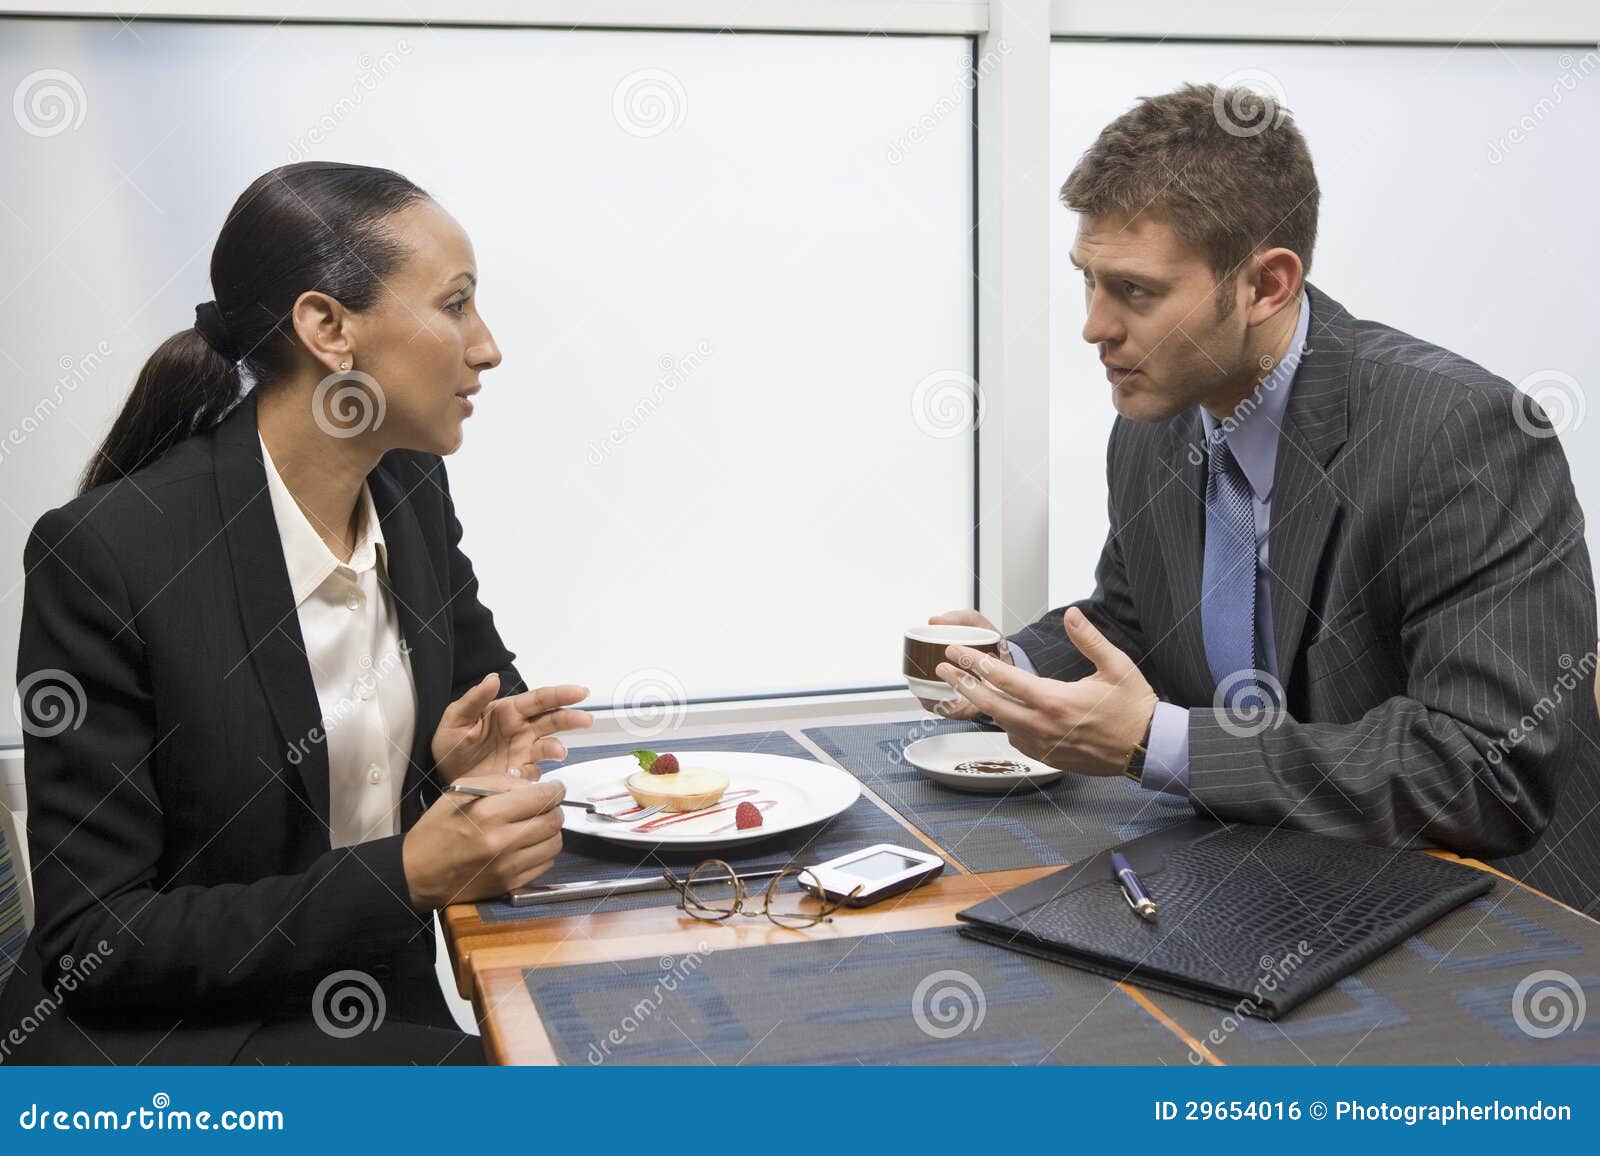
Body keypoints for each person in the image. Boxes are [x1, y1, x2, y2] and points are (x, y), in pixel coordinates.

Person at [925, 84, 1600, 915]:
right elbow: (1139, 620)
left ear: (1268, 285)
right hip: (1268, 884)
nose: (1095, 327)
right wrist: (1006, 671)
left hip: (1488, 919)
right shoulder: (1154, 425)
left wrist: (1154, 742)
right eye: (1088, 282)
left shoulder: (1465, 435)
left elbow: (1482, 772)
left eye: (1135, 291)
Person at [0, 162, 594, 1064]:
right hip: (183, 1049)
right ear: (327, 327)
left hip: (376, 1012)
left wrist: (458, 766)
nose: (487, 347)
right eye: (456, 305)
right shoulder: (106, 557)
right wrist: (401, 878)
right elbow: (96, 941)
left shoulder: (410, 488)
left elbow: (472, 724)